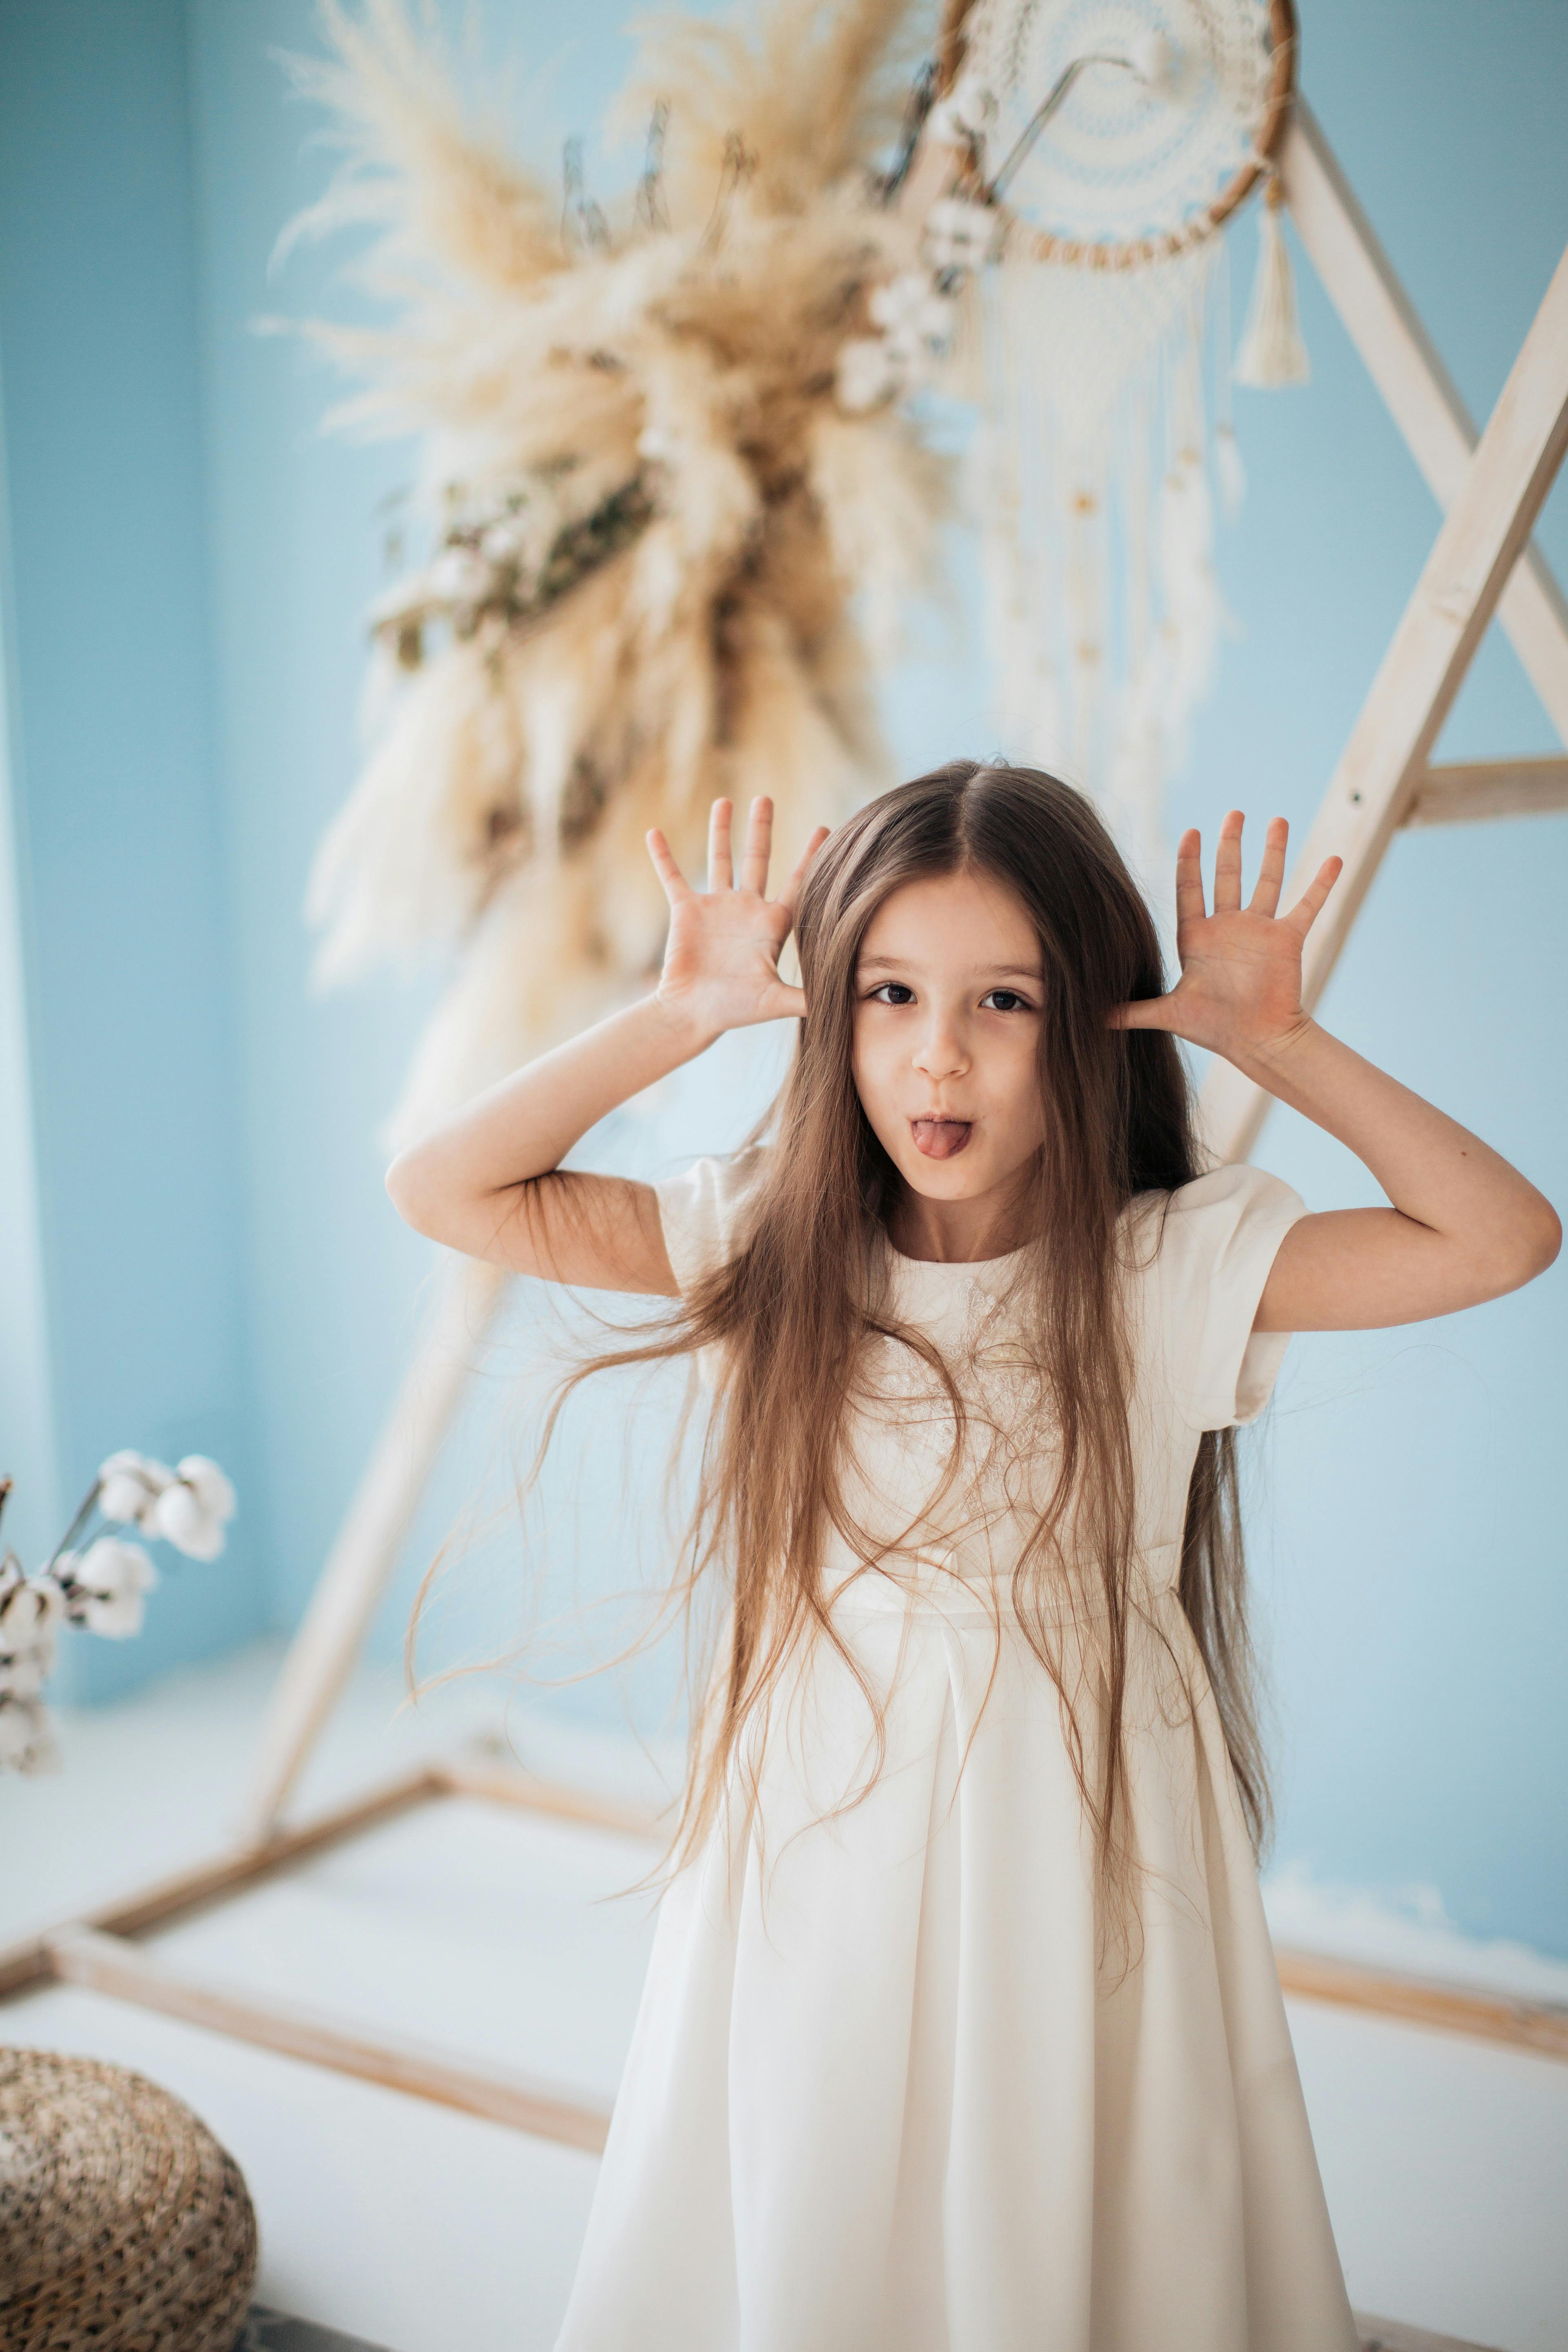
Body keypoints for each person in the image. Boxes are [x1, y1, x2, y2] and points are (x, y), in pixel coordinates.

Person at [386, 761, 1559, 2352]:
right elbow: (442, 1184)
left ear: (1090, 1020)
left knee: (1071, 2160)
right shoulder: (772, 1245)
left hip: (1080, 1809)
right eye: (886, 993)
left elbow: (1498, 1237)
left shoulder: (1160, 1268)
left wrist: (1277, 1043)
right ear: (831, 1012)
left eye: (1004, 1000)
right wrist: (681, 1012)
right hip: (824, 1802)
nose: (937, 1052)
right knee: (826, 2148)